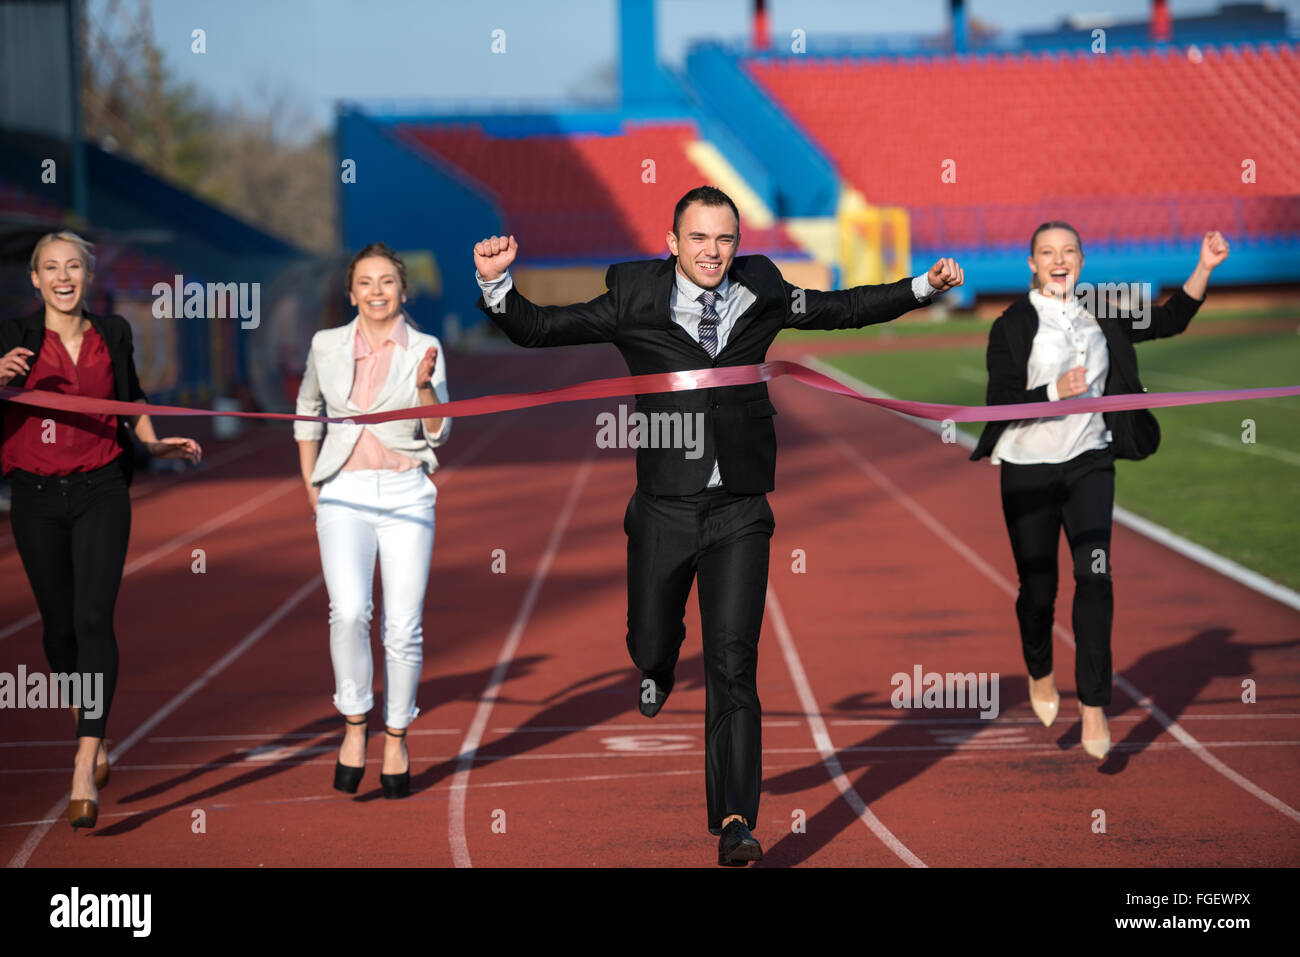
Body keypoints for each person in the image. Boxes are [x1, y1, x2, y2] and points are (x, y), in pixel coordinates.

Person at [473, 186, 964, 864]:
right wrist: (496, 286)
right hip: (664, 507)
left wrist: (922, 286)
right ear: (672, 243)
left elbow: (841, 309)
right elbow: (542, 328)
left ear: (738, 242)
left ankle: (735, 819)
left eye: (725, 238)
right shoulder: (633, 295)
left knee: (734, 664)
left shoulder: (762, 288)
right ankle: (657, 661)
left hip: (740, 507)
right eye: (699, 238)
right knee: (649, 639)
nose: (713, 251)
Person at [970, 222, 1230, 759]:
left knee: (1094, 577)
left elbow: (1169, 320)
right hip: (1027, 469)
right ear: (1032, 264)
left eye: (1068, 251)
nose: (1058, 260)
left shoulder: (1102, 311)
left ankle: (1093, 705)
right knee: (1038, 591)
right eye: (1047, 252)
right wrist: (1053, 390)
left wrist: (1204, 267)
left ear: (1082, 261)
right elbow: (999, 402)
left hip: (1090, 463)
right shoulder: (1011, 324)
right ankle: (1040, 671)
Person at [0, 231, 201, 830]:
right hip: (35, 497)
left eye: (74, 267)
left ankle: (85, 760)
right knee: (59, 630)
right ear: (35, 279)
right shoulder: (11, 336)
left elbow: (130, 399)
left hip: (101, 489)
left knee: (92, 619)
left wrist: (154, 444)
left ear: (88, 277)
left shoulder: (113, 333)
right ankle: (89, 720)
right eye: (51, 268)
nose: (63, 277)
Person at [294, 242, 451, 799]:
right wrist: (312, 484)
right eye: (366, 282)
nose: (377, 291)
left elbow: (439, 433)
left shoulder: (426, 347)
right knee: (349, 612)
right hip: (343, 491)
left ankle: (397, 736)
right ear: (351, 292)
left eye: (387, 281)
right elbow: (307, 410)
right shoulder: (325, 344)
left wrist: (425, 385)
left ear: (403, 291)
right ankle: (355, 723)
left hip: (407, 494)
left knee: (403, 627)